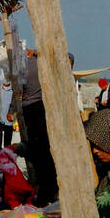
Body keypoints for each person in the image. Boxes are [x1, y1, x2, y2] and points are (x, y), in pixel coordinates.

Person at [17, 49, 74, 206]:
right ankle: (48, 190)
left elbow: (18, 91)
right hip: (45, 110)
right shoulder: (44, 63)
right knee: (46, 151)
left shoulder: (24, 66)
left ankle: (45, 190)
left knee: (40, 152)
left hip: (32, 110)